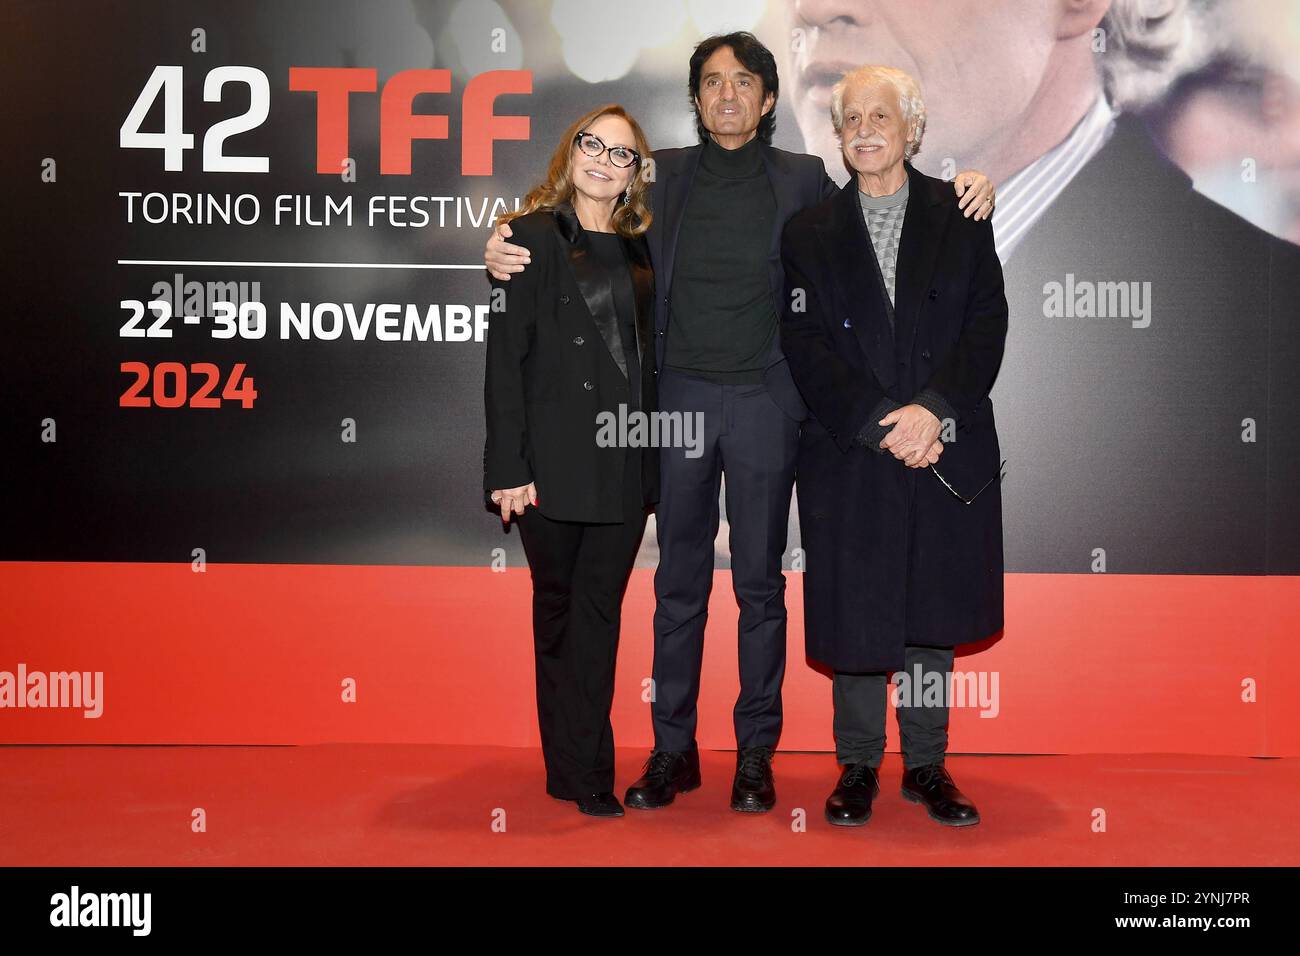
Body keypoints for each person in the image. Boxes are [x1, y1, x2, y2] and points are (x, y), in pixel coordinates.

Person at [487, 33, 995, 815]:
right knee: (677, 585)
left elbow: (885, 217)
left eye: (745, 82)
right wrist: (507, 238)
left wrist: (972, 184)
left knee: (761, 588)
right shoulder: (659, 176)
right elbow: (582, 216)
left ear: (767, 100)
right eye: (713, 83)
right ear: (696, 99)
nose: (728, 95)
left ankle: (755, 754)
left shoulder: (806, 180)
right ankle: (672, 750)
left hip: (770, 404)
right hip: (678, 405)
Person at [780, 65, 1008, 827]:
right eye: (852, 119)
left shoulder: (961, 213)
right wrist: (886, 420)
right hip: (853, 448)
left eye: (883, 116)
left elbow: (987, 326)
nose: (866, 130)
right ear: (839, 136)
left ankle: (928, 765)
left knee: (931, 613)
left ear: (914, 130)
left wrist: (933, 412)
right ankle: (855, 766)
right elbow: (804, 342)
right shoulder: (808, 232)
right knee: (856, 610)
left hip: (943, 446)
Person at [483, 104, 658, 817]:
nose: (603, 160)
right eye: (593, 143)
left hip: (624, 465)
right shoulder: (526, 238)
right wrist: (507, 467)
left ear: (634, 176)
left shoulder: (647, 246)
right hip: (549, 469)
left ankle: (587, 771)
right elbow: (505, 362)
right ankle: (571, 768)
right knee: (556, 614)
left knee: (597, 616)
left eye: (621, 154)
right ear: (571, 151)